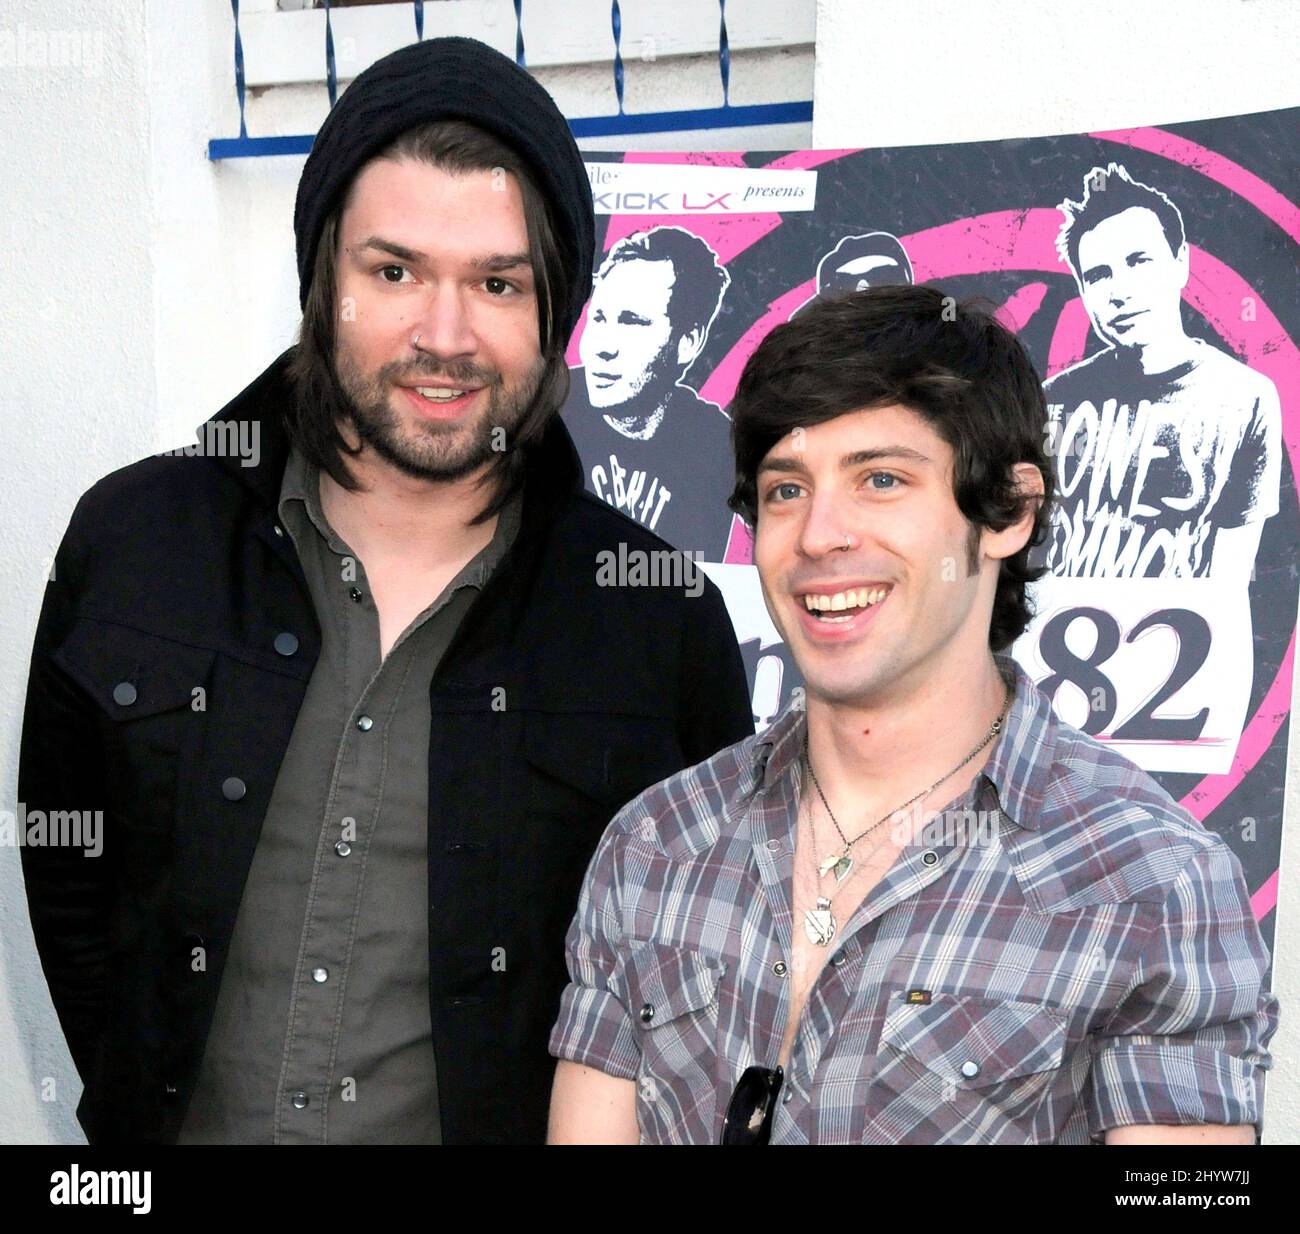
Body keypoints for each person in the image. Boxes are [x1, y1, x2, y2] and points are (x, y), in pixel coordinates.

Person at [18, 36, 752, 1146]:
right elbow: (68, 880)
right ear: (323, 279)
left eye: (497, 282)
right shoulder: (135, 540)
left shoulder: (655, 622)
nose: (443, 336)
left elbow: (685, 990)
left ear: (557, 314)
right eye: (394, 271)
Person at [546, 283, 1278, 1144]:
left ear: (1008, 511)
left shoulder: (1155, 886)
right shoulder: (654, 846)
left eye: (881, 479)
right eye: (786, 490)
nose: (820, 535)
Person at [1042, 162, 1282, 580]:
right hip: (1062, 639)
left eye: (1139, 261)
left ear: (1180, 262)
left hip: (1182, 639)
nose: (1120, 291)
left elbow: (1231, 577)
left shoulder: (1246, 398)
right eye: (1098, 276)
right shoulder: (1051, 400)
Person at [562, 226, 734, 559]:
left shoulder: (717, 442)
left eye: (631, 321)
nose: (602, 347)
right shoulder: (543, 415)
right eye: (598, 318)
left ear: (688, 343)